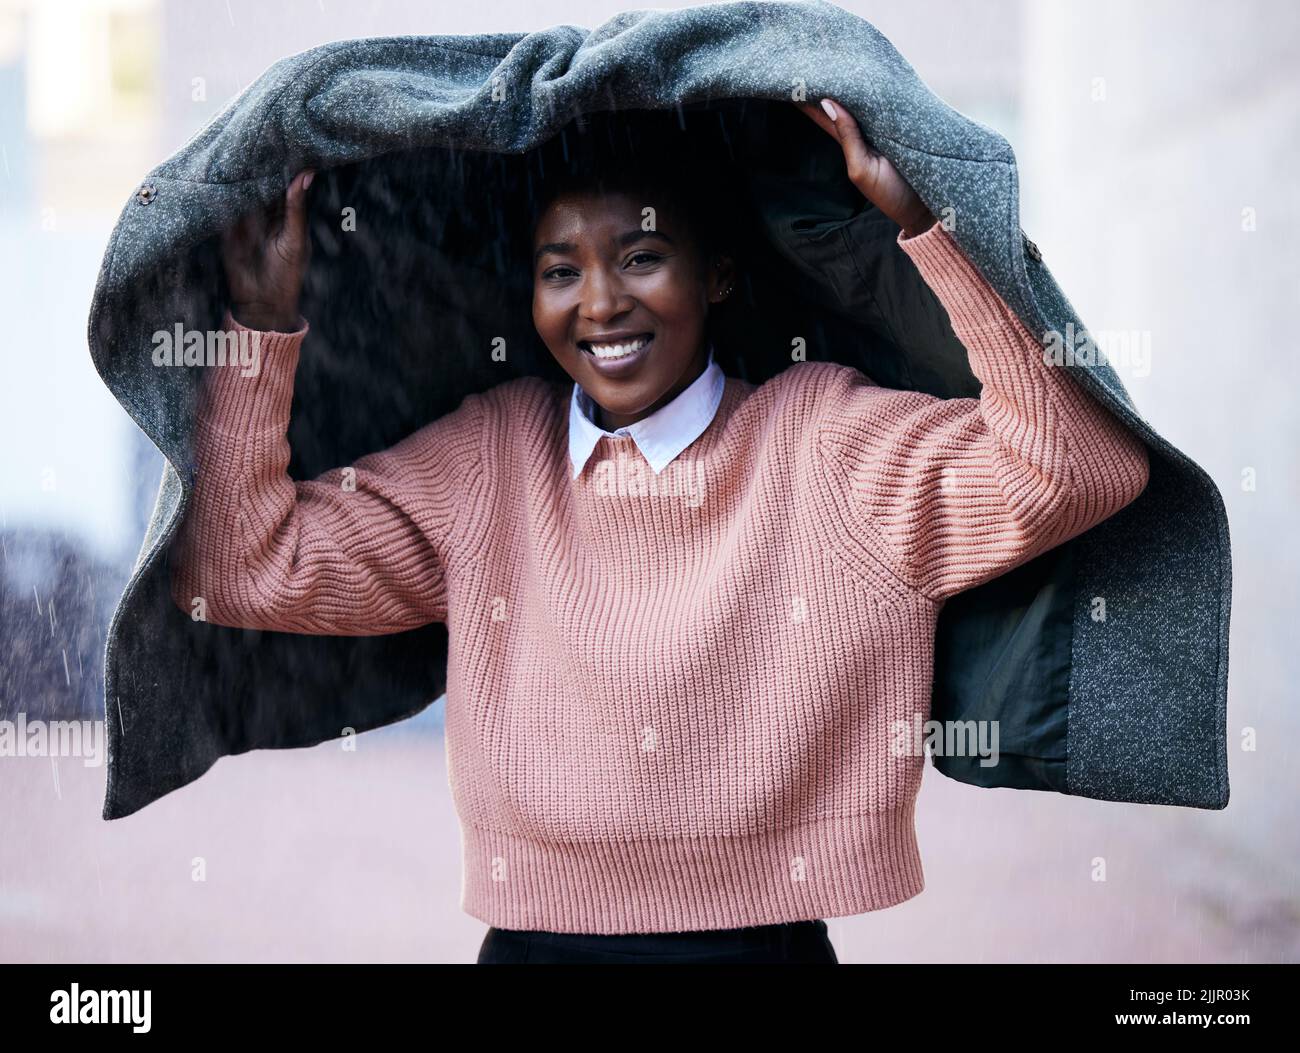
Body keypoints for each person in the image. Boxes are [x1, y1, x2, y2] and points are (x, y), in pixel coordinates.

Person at [169, 98, 1150, 964]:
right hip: (532, 949)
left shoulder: (823, 441)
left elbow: (1079, 467)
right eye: (562, 272)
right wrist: (258, 322)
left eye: (640, 257)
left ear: (716, 277)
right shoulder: (489, 455)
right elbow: (248, 570)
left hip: (762, 948)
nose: (600, 302)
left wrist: (933, 226)